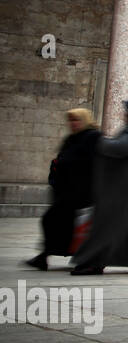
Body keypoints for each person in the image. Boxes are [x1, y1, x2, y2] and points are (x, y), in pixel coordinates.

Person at [69, 100, 128, 275]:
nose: (125, 115)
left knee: (111, 224)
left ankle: (95, 261)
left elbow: (116, 149)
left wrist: (96, 137)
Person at [28, 108, 101, 270]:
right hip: (67, 191)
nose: (73, 124)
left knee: (58, 222)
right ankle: (45, 256)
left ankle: (81, 259)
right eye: (71, 120)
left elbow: (91, 163)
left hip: (82, 192)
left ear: (85, 120)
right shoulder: (72, 138)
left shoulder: (92, 137)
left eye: (77, 120)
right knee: (58, 223)